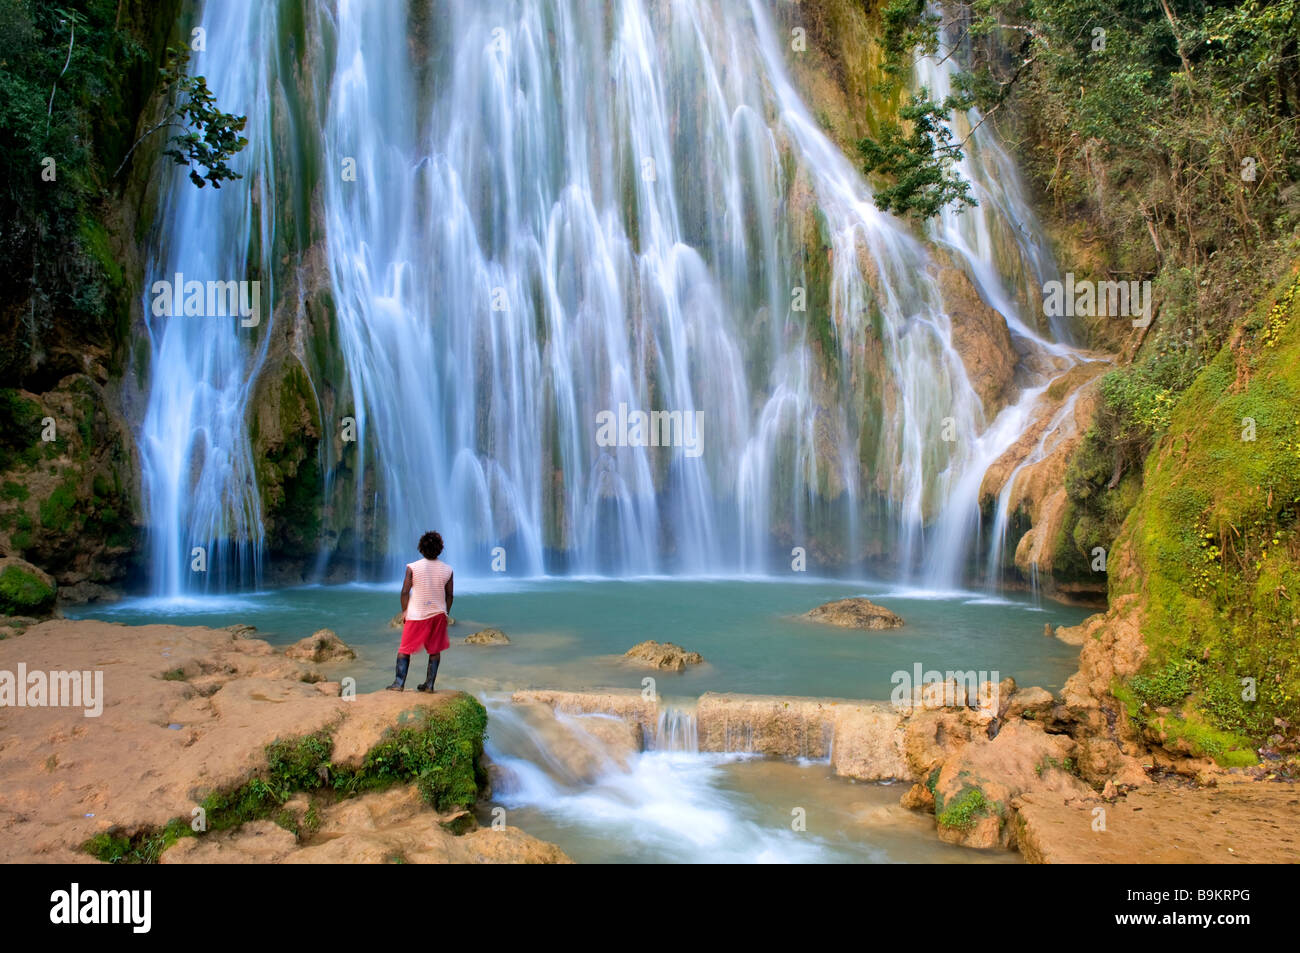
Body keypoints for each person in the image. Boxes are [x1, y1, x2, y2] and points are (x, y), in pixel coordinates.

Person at [387, 531, 454, 692]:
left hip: (416, 615)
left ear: (421, 549)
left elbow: (404, 592)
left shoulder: (413, 567)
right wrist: (445, 613)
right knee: (434, 650)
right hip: (438, 614)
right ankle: (429, 685)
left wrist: (405, 611)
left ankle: (399, 683)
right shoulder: (448, 570)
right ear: (440, 549)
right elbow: (450, 595)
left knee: (405, 649)